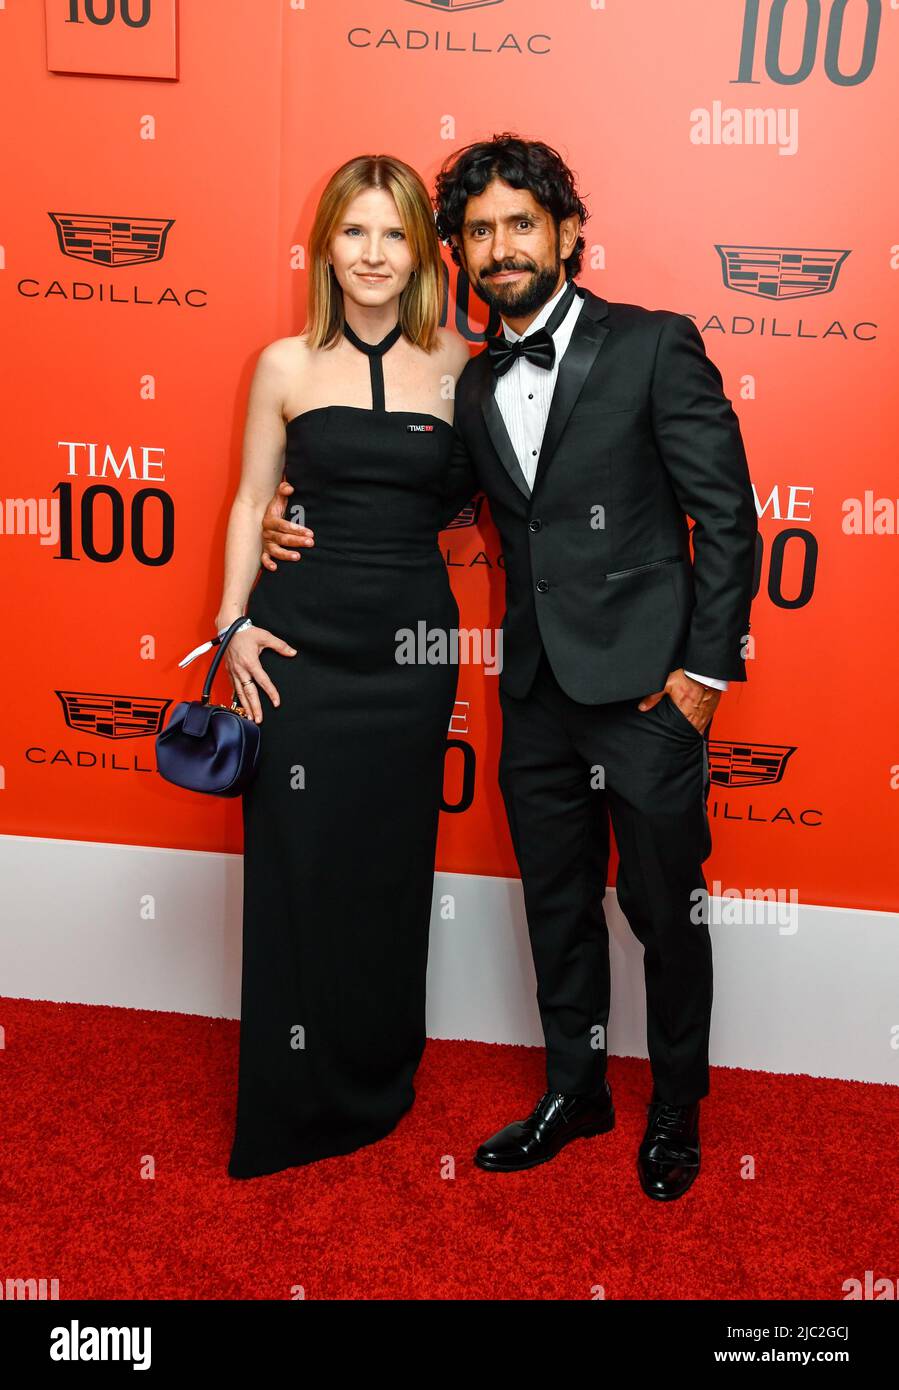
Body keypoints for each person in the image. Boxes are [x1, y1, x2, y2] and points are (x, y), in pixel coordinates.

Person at [260, 134, 759, 1200]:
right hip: (532, 697)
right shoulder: (474, 382)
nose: (500, 247)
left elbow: (724, 517)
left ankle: (675, 1111)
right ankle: (575, 1091)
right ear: (459, 252)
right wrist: (283, 512)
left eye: (520, 224)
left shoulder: (653, 345)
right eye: (478, 230)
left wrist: (699, 682)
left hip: (645, 698)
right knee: (557, 906)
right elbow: (411, 494)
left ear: (568, 233)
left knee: (666, 912)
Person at [217, 154, 470, 1178]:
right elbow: (247, 502)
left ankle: (373, 1074)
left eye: (394, 234)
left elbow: (501, 496)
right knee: (295, 864)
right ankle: (288, 1101)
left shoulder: (461, 366)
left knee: (386, 865)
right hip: (297, 651)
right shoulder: (281, 363)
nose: (372, 254)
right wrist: (231, 620)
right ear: (325, 244)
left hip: (409, 654)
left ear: (421, 252)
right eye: (353, 232)